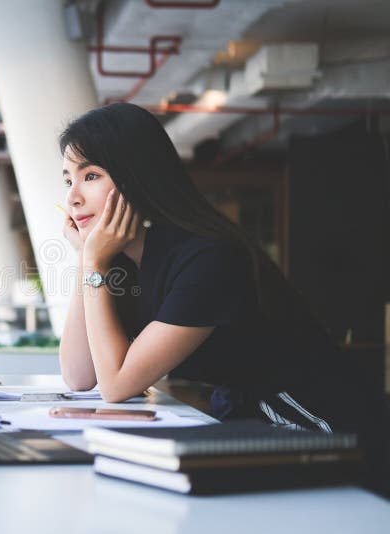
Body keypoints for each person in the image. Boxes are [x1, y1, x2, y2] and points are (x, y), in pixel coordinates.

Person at [57, 102, 388, 493]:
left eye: (90, 175)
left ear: (136, 176)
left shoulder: (207, 258)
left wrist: (93, 259)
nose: (73, 197)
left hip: (323, 427)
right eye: (67, 180)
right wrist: (86, 260)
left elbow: (115, 385)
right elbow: (80, 376)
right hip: (259, 428)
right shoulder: (125, 264)